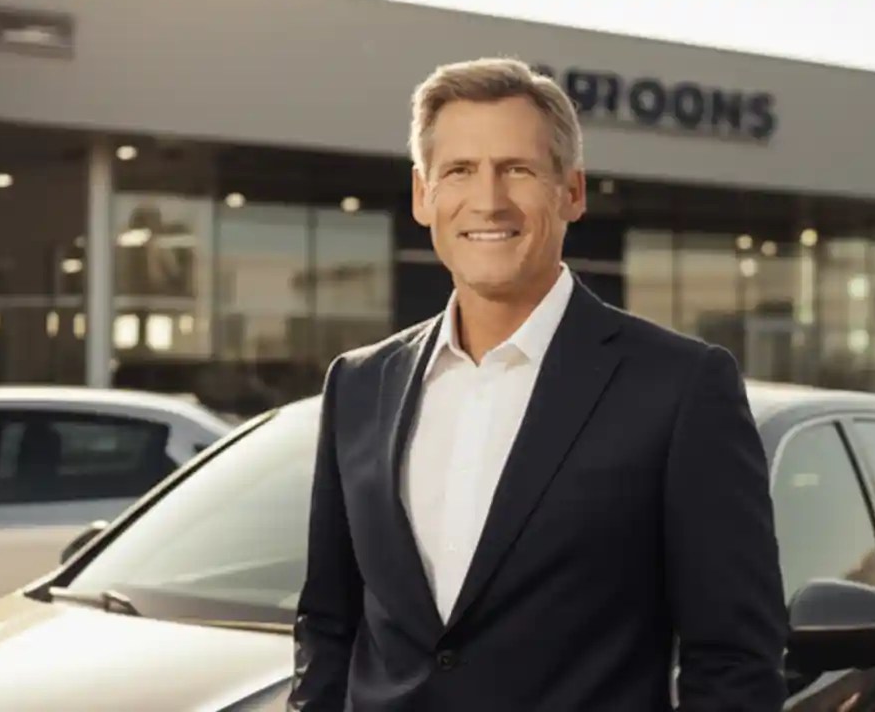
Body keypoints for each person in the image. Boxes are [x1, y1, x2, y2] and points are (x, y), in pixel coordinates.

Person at [289, 57, 788, 712]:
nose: (488, 200)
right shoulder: (358, 385)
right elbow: (327, 625)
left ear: (571, 192)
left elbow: (734, 661)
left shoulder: (681, 389)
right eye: (459, 171)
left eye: (517, 169)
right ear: (422, 195)